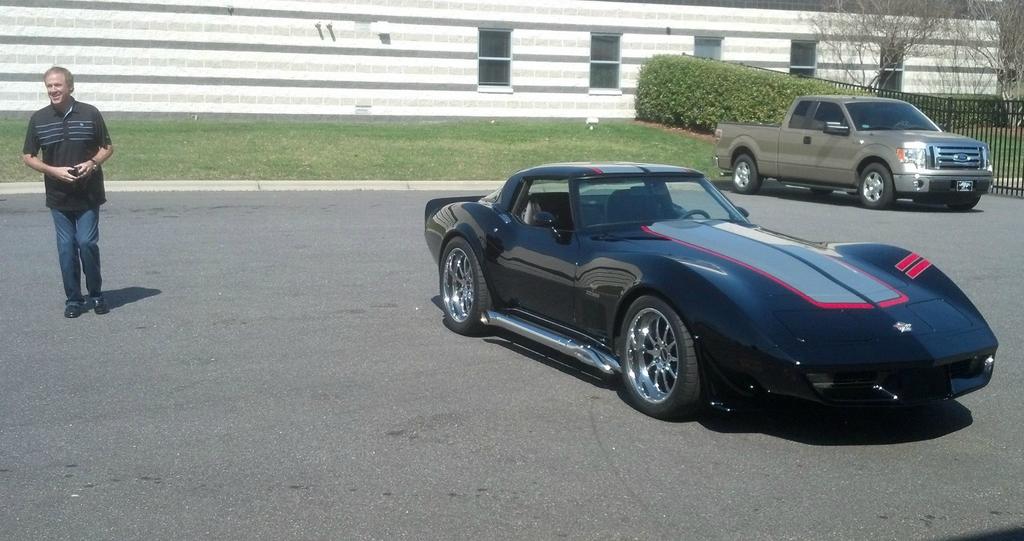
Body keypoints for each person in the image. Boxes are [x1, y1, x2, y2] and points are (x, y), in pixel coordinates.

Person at [22, 66, 114, 318]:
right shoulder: (39, 119)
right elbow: (28, 156)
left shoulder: (90, 113)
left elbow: (107, 147)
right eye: (49, 86)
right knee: (66, 247)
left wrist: (92, 163)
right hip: (58, 196)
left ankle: (96, 294)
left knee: (86, 243)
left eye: (58, 85)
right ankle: (73, 299)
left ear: (70, 86)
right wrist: (52, 171)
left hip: (88, 194)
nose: (53, 90)